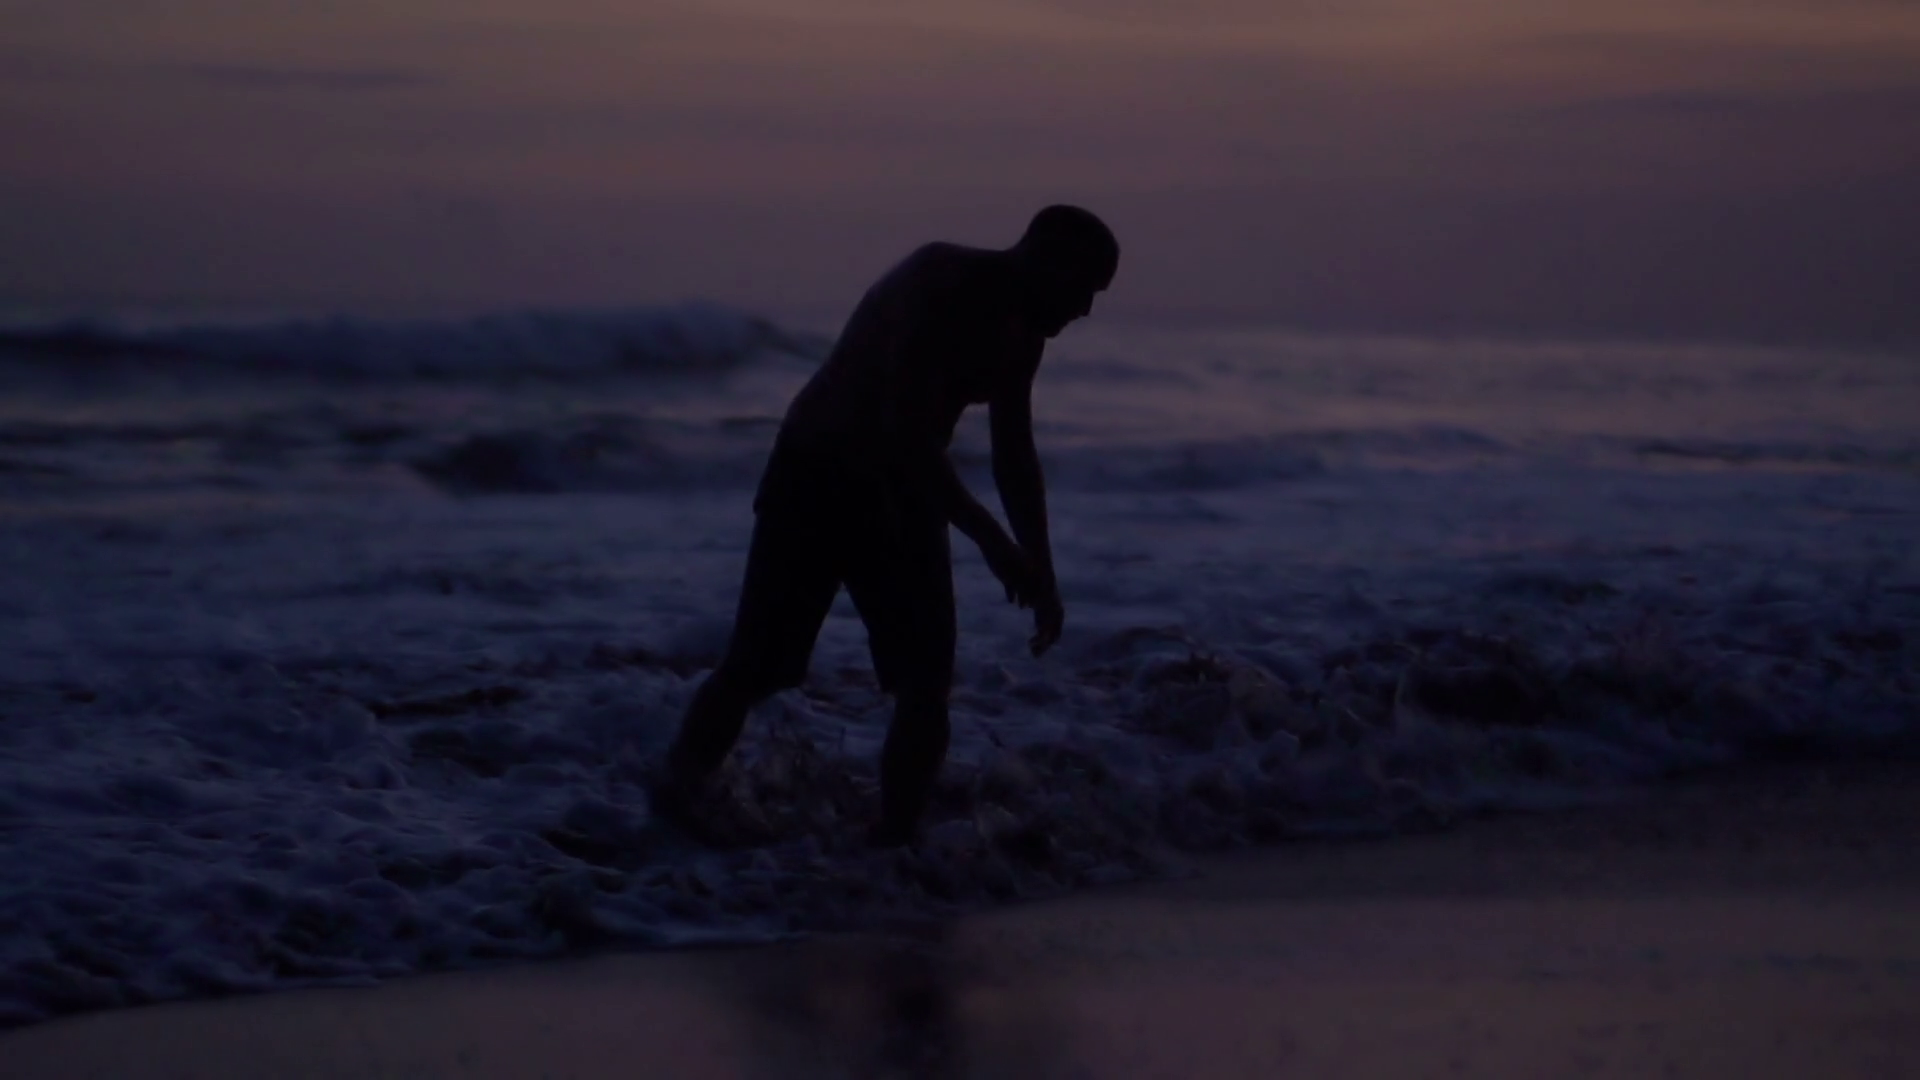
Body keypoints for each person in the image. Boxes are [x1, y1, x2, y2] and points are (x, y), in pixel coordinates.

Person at [656, 205, 1120, 845]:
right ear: (1046, 263)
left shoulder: (1023, 335)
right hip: (818, 474)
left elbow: (1014, 452)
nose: (1085, 312)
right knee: (760, 665)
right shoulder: (942, 283)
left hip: (903, 491)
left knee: (926, 683)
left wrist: (1040, 566)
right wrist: (991, 542)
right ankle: (674, 798)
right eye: (1084, 290)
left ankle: (896, 845)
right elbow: (902, 431)